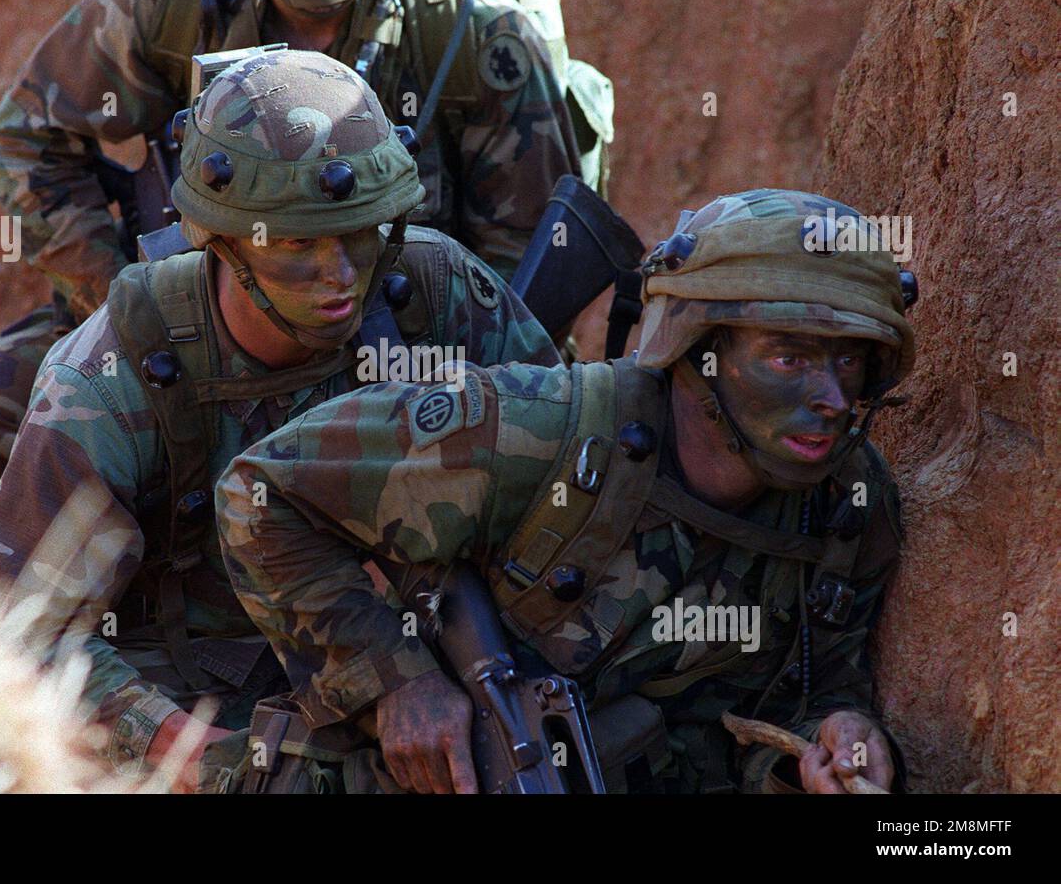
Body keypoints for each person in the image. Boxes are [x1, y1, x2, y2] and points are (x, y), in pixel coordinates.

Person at [0, 49, 560, 790]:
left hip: (420, 643)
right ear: (221, 241)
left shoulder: (437, 293)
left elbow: (564, 468)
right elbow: (21, 633)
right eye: (295, 246)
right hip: (204, 674)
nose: (341, 276)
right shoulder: (109, 378)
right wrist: (194, 754)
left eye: (358, 232)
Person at [0, 0, 591, 587]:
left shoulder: (469, 29)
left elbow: (521, 265)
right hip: (212, 304)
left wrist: (435, 383)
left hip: (398, 319)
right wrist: (124, 304)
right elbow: (24, 138)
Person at [216, 188, 916, 794]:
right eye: (788, 358)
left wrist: (833, 738)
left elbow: (810, 690)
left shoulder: (849, 508)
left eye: (848, 362)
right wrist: (395, 681)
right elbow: (258, 490)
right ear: (700, 347)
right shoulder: (531, 427)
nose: (829, 397)